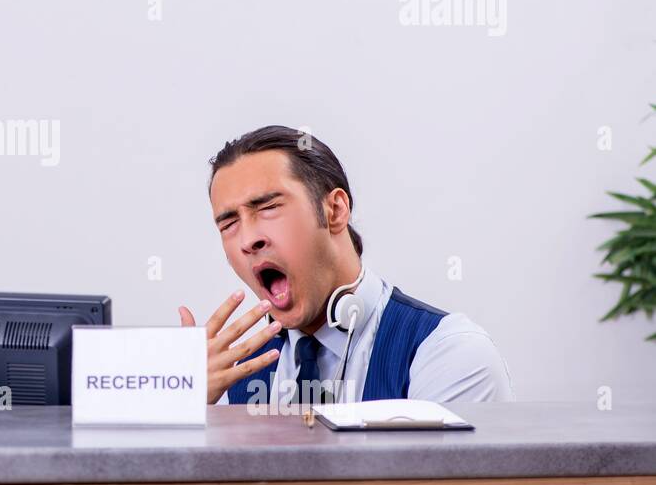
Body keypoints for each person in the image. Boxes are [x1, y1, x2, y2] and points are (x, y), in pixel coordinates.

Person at [179, 125, 514, 407]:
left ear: (335, 210)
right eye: (228, 224)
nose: (247, 239)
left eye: (267, 207)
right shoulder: (229, 381)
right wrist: (186, 409)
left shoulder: (450, 355)